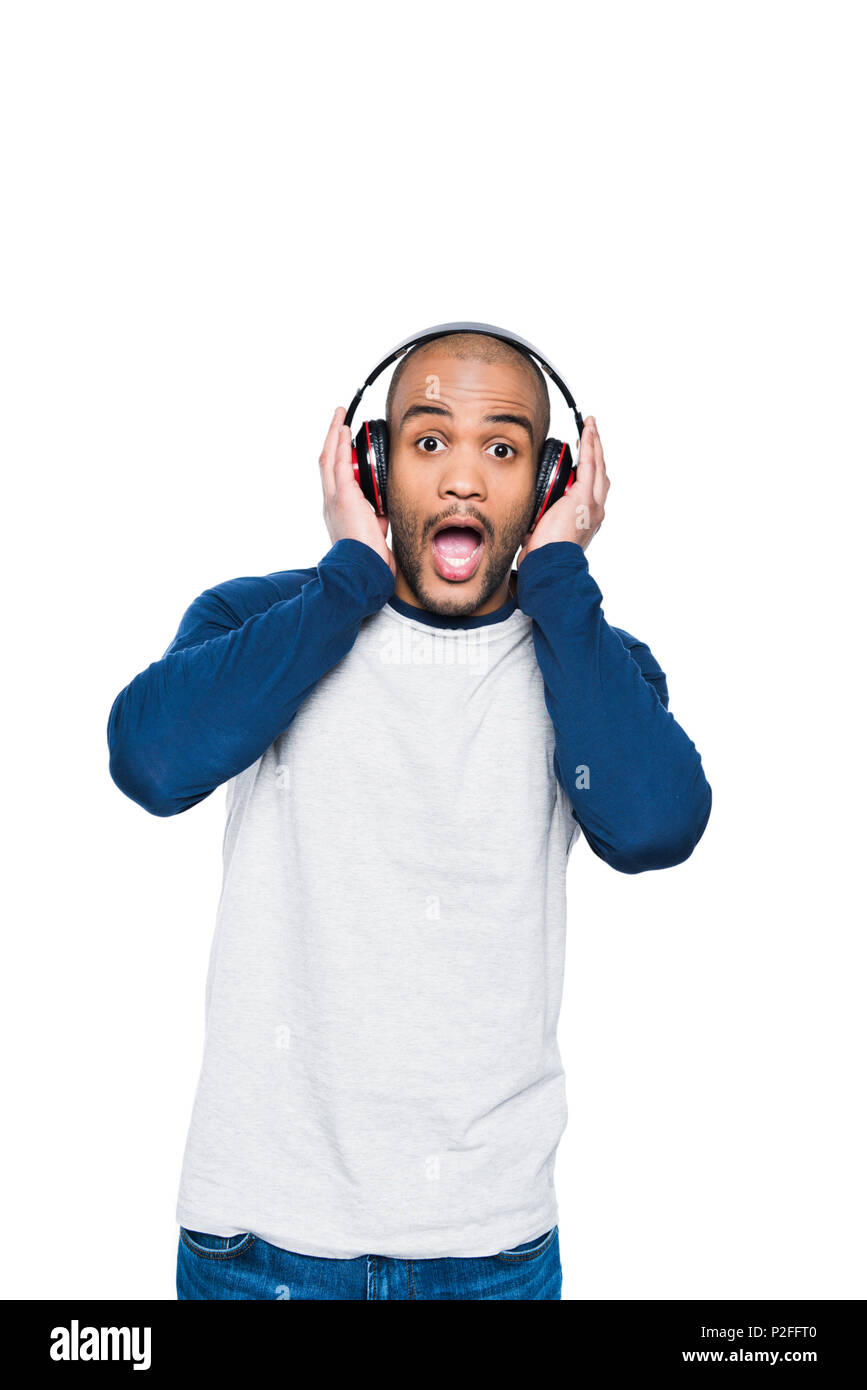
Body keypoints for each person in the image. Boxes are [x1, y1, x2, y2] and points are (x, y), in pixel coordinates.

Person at [106, 328, 712, 1300]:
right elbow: (151, 762)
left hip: (487, 1246)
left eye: (504, 448)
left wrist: (561, 581)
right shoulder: (256, 620)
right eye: (431, 442)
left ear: (555, 483)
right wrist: (349, 573)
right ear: (370, 463)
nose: (465, 481)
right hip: (260, 1244)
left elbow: (651, 824)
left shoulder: (588, 658)